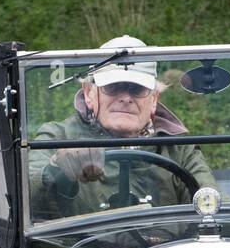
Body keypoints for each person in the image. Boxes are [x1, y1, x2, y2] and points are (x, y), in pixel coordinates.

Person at [29, 35, 216, 220]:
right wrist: (56, 167)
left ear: (154, 100)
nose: (126, 98)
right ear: (89, 93)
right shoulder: (57, 136)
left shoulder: (178, 148)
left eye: (137, 89)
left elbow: (214, 205)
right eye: (114, 87)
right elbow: (27, 197)